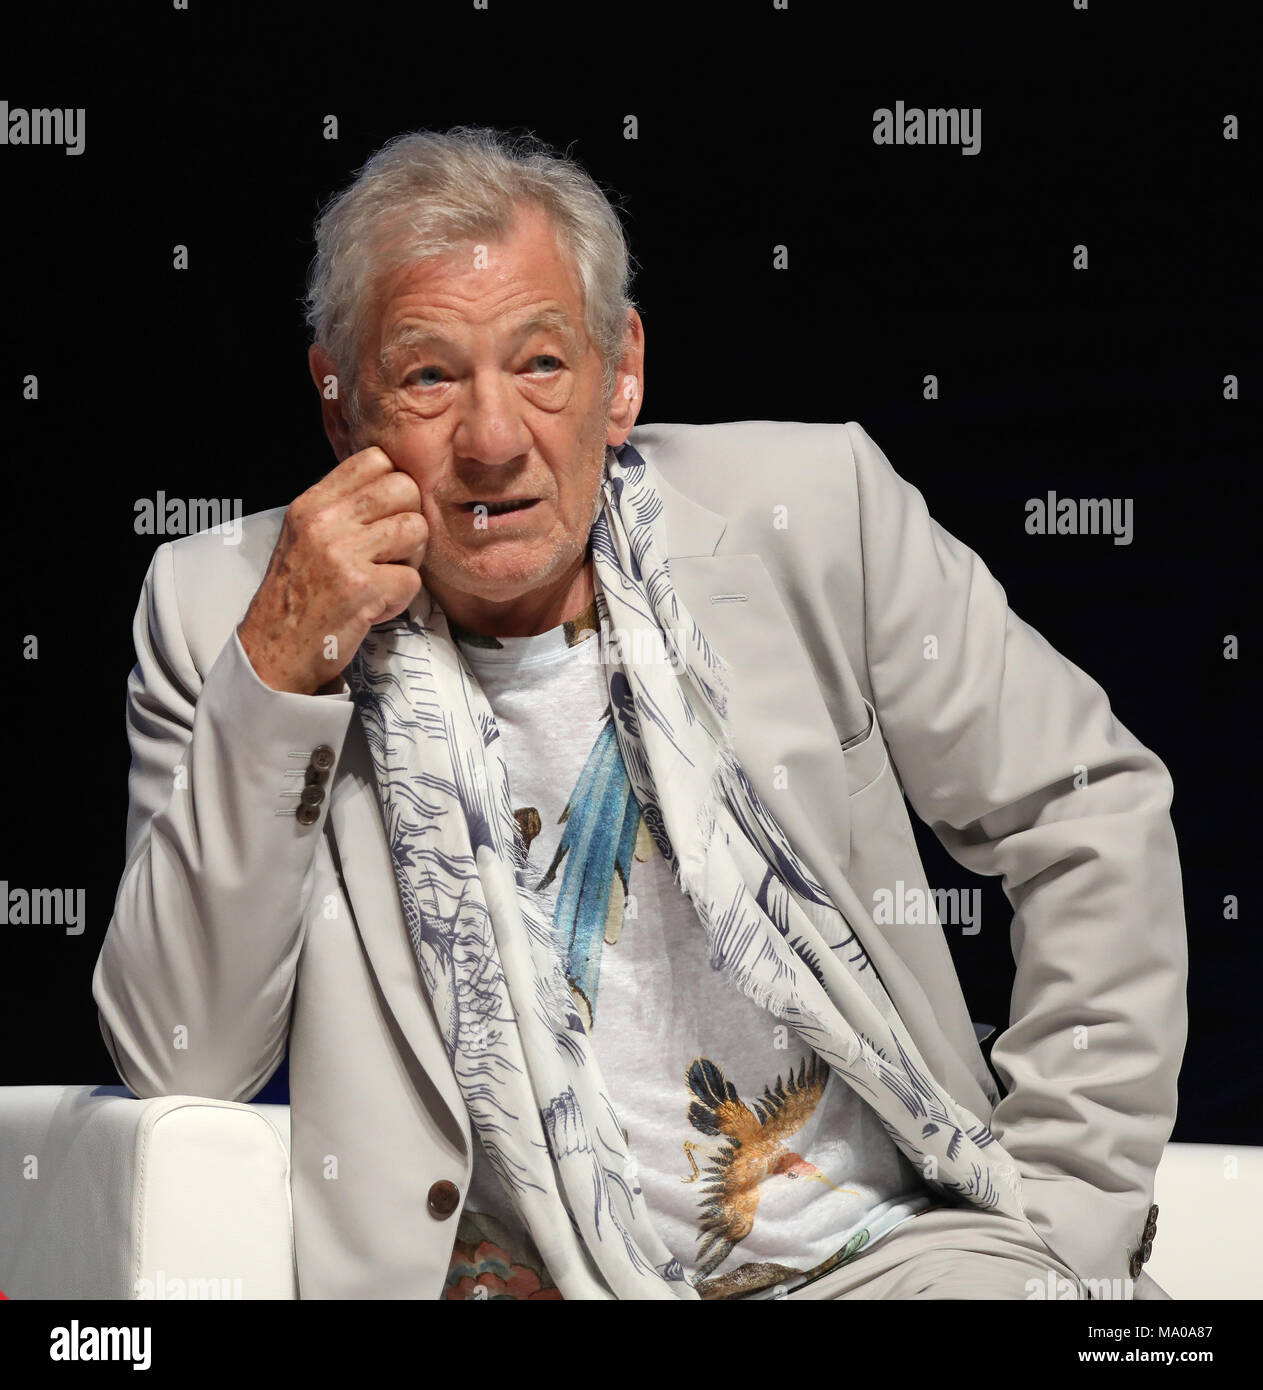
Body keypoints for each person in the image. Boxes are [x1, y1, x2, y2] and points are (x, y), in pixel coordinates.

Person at [93, 126, 1186, 1301]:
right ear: (341, 407)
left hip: (892, 1261)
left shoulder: (815, 514)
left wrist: (1066, 1218)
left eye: (542, 364)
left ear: (622, 376)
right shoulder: (223, 611)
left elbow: (1090, 811)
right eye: (427, 376)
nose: (494, 439)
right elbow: (180, 1054)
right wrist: (279, 677)